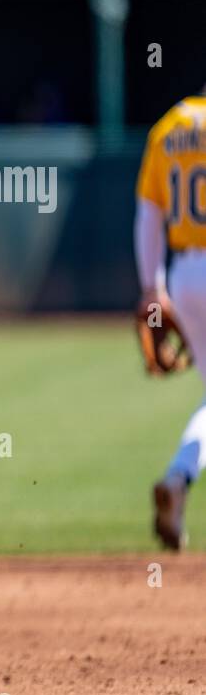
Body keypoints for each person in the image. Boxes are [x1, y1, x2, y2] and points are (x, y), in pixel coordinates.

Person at [134, 88, 206, 550]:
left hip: (184, 277)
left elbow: (148, 215)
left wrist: (152, 289)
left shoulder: (167, 127)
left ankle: (178, 479)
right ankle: (179, 476)